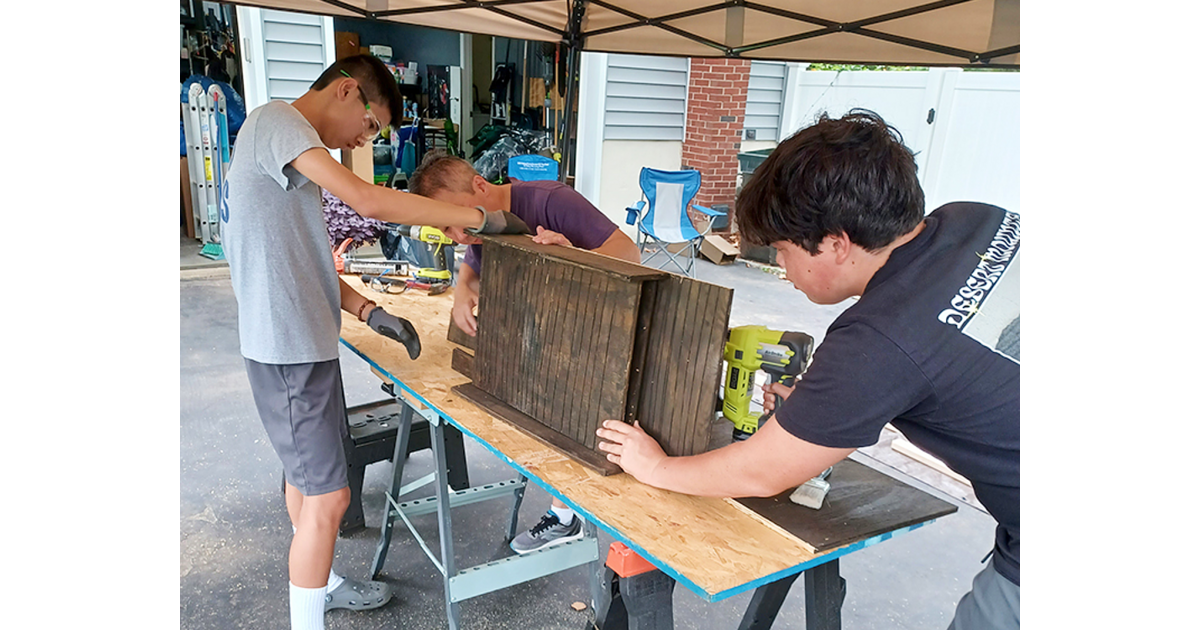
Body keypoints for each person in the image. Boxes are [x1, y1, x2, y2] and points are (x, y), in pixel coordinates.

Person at [596, 109, 1020, 630]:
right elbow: (962, 361)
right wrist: (832, 411)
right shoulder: (979, 219)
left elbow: (763, 470)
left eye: (782, 250)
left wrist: (656, 467)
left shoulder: (878, 337)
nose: (780, 267)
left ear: (838, 243)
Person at [219, 55, 528, 630]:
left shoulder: (286, 154)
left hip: (296, 346)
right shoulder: (280, 123)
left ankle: (323, 580)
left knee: (305, 482)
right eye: (370, 125)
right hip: (288, 352)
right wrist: (476, 218)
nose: (363, 139)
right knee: (331, 501)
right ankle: (308, 611)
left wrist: (367, 309)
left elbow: (295, 259)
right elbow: (369, 201)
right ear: (345, 91)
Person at [407, 151, 643, 554]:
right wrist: (463, 287)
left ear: (480, 186)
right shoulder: (481, 226)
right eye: (446, 230)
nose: (459, 236)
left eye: (458, 222)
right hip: (546, 340)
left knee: (577, 430)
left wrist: (570, 254)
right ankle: (564, 512)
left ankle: (567, 519)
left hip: (597, 337)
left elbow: (630, 256)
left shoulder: (551, 201)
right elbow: (473, 262)